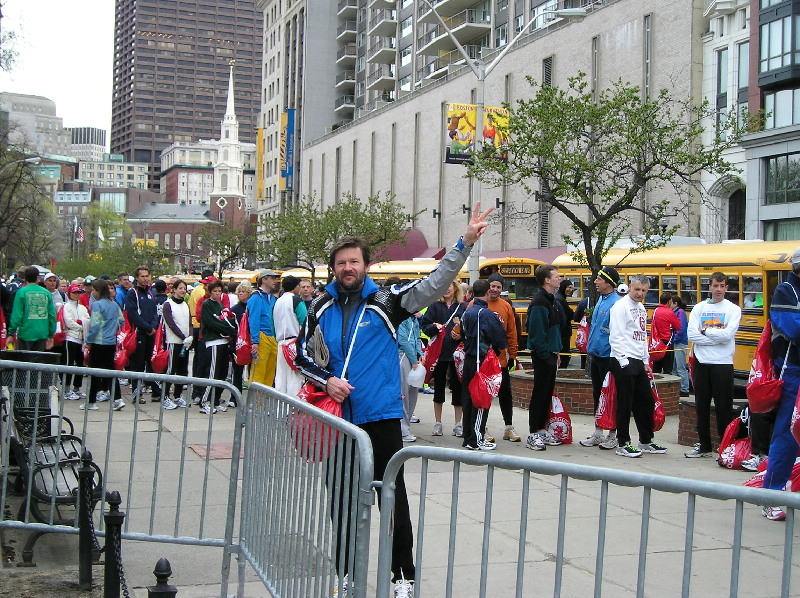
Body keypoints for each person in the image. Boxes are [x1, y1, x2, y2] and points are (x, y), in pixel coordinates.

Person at [295, 204, 492, 596]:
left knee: (392, 497)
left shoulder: (387, 302)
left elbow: (435, 283)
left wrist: (464, 243)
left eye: (353, 261)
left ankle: (403, 576)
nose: (347, 268)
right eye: (340, 263)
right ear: (333, 268)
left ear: (366, 265)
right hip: (338, 420)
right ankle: (347, 575)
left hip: (381, 416)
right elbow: (301, 354)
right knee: (341, 501)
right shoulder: (319, 306)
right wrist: (328, 380)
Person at [759, 248, 800, 520]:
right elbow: (794, 329)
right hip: (793, 372)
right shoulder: (787, 291)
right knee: (787, 434)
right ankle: (770, 494)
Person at [608, 274, 668, 458]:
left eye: (643, 290)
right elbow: (616, 335)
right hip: (623, 358)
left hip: (637, 359)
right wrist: (623, 360)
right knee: (625, 402)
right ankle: (623, 442)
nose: (639, 293)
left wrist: (644, 360)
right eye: (636, 289)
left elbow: (642, 335)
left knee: (645, 401)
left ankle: (645, 440)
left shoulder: (641, 307)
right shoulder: (620, 307)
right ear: (630, 287)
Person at [685, 272, 741, 458]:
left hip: (723, 364)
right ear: (709, 287)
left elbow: (728, 335)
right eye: (715, 285)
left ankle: (725, 446)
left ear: (726, 288)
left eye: (722, 286)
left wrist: (705, 331)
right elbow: (692, 335)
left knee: (723, 407)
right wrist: (716, 337)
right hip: (701, 362)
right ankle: (704, 445)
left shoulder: (733, 309)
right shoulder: (699, 308)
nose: (718, 289)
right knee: (701, 406)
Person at [458, 279, 507, 451]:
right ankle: (476, 438)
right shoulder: (485, 314)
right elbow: (500, 339)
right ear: (487, 292)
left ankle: (468, 436)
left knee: (468, 398)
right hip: (482, 360)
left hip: (469, 359)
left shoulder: (467, 312)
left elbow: (462, 335)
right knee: (481, 399)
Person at [579, 266, 623, 448]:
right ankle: (598, 432)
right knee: (598, 395)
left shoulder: (617, 303)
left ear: (608, 282)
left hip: (609, 358)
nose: (595, 282)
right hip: (596, 355)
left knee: (611, 396)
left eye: (599, 279)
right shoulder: (601, 300)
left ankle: (613, 434)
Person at [420, 281, 466, 437]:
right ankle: (438, 423)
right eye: (444, 286)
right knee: (438, 388)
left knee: (458, 390)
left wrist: (461, 335)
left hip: (457, 355)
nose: (446, 288)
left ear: (455, 288)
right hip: (439, 354)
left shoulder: (462, 307)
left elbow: (468, 327)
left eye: (450, 286)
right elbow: (424, 326)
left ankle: (458, 424)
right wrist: (434, 327)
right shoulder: (434, 306)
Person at [525, 264, 563, 451]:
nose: (560, 279)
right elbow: (537, 334)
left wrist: (555, 353)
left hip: (550, 354)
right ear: (547, 280)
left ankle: (541, 429)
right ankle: (533, 433)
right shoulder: (540, 301)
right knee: (539, 394)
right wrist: (546, 355)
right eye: (556, 276)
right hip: (543, 356)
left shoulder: (551, 300)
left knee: (546, 393)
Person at [485, 273, 521, 442]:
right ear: (488, 286)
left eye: (498, 287)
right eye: (492, 286)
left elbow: (512, 333)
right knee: (484, 395)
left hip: (501, 360)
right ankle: (482, 427)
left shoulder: (506, 307)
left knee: (505, 394)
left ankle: (508, 427)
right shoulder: (477, 303)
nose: (495, 290)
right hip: (483, 360)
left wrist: (513, 355)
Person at [199, 280, 237, 414]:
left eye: (219, 291)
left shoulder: (220, 305)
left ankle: (215, 400)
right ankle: (204, 401)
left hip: (223, 342)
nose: (217, 294)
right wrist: (229, 330)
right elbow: (212, 323)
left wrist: (229, 328)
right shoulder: (206, 304)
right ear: (210, 292)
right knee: (212, 373)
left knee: (222, 373)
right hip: (213, 341)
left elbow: (225, 319)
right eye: (214, 291)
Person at [124, 266, 162, 404]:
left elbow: (154, 313)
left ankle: (156, 392)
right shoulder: (132, 293)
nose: (146, 278)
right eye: (143, 276)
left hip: (151, 333)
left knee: (151, 362)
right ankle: (136, 393)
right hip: (139, 333)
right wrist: (146, 327)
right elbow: (132, 314)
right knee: (138, 365)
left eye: (147, 275)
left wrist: (153, 327)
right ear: (137, 278)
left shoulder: (151, 294)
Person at [86, 280, 125, 411]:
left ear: (98, 291)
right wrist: (112, 328)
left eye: (94, 290)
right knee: (111, 371)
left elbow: (95, 325)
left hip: (98, 341)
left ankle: (91, 401)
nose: (92, 293)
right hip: (111, 342)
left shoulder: (97, 305)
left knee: (94, 371)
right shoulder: (114, 304)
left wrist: (88, 341)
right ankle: (117, 398)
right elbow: (121, 320)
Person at [161, 279, 192, 410]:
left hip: (185, 343)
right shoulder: (168, 304)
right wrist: (183, 337)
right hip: (173, 341)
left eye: (184, 288)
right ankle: (165, 397)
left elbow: (190, 321)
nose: (182, 291)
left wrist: (190, 336)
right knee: (170, 369)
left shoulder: (185, 304)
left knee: (182, 370)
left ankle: (178, 395)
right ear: (173, 289)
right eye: (180, 288)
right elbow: (171, 323)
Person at [9, 266, 56, 352]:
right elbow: (52, 315)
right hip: (42, 333)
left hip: (25, 333)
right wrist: (50, 334)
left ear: (25, 278)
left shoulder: (21, 292)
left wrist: (11, 332)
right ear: (37, 278)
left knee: (24, 363)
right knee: (39, 363)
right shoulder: (46, 293)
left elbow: (17, 315)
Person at [273, 275, 306, 396]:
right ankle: (294, 409)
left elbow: (273, 325)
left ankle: (280, 409)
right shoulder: (296, 300)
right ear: (296, 287)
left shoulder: (277, 301)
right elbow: (304, 320)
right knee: (294, 377)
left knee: (280, 377)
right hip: (294, 342)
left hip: (281, 343)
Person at [248, 269, 280, 387]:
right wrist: (255, 341)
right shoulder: (256, 297)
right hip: (262, 336)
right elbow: (254, 320)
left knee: (270, 373)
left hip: (272, 337)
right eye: (272, 278)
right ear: (264, 280)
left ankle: (263, 402)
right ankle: (255, 403)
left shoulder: (272, 298)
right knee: (259, 373)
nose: (275, 281)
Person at [398, 312, 423, 442]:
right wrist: (413, 359)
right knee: (403, 394)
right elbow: (403, 340)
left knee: (413, 391)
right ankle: (403, 429)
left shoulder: (415, 320)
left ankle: (406, 425)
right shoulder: (402, 318)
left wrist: (419, 354)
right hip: (403, 357)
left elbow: (417, 338)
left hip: (413, 358)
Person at [62, 284, 90, 400]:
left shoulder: (82, 308)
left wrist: (80, 322)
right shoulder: (66, 306)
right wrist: (81, 325)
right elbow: (68, 323)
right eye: (74, 293)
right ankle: (66, 389)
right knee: (68, 364)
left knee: (80, 364)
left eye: (78, 293)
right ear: (69, 293)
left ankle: (77, 388)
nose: (77, 295)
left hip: (81, 339)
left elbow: (88, 320)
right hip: (70, 338)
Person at [650, 292, 682, 375]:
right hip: (667, 342)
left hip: (656, 343)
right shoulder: (669, 312)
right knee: (667, 369)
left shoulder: (655, 311)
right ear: (668, 302)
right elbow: (678, 326)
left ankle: (655, 387)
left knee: (656, 368)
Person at [670, 295, 690, 397]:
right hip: (676, 342)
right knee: (675, 368)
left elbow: (681, 329)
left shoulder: (680, 312)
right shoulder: (675, 313)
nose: (669, 305)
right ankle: (676, 388)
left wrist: (674, 339)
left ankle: (684, 389)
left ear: (675, 304)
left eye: (671, 303)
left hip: (680, 342)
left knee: (681, 367)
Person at [554, 279, 575, 369]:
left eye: (572, 288)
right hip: (563, 334)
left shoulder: (559, 298)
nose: (570, 290)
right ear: (563, 287)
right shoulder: (560, 300)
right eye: (568, 287)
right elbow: (569, 315)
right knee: (564, 357)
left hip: (562, 333)